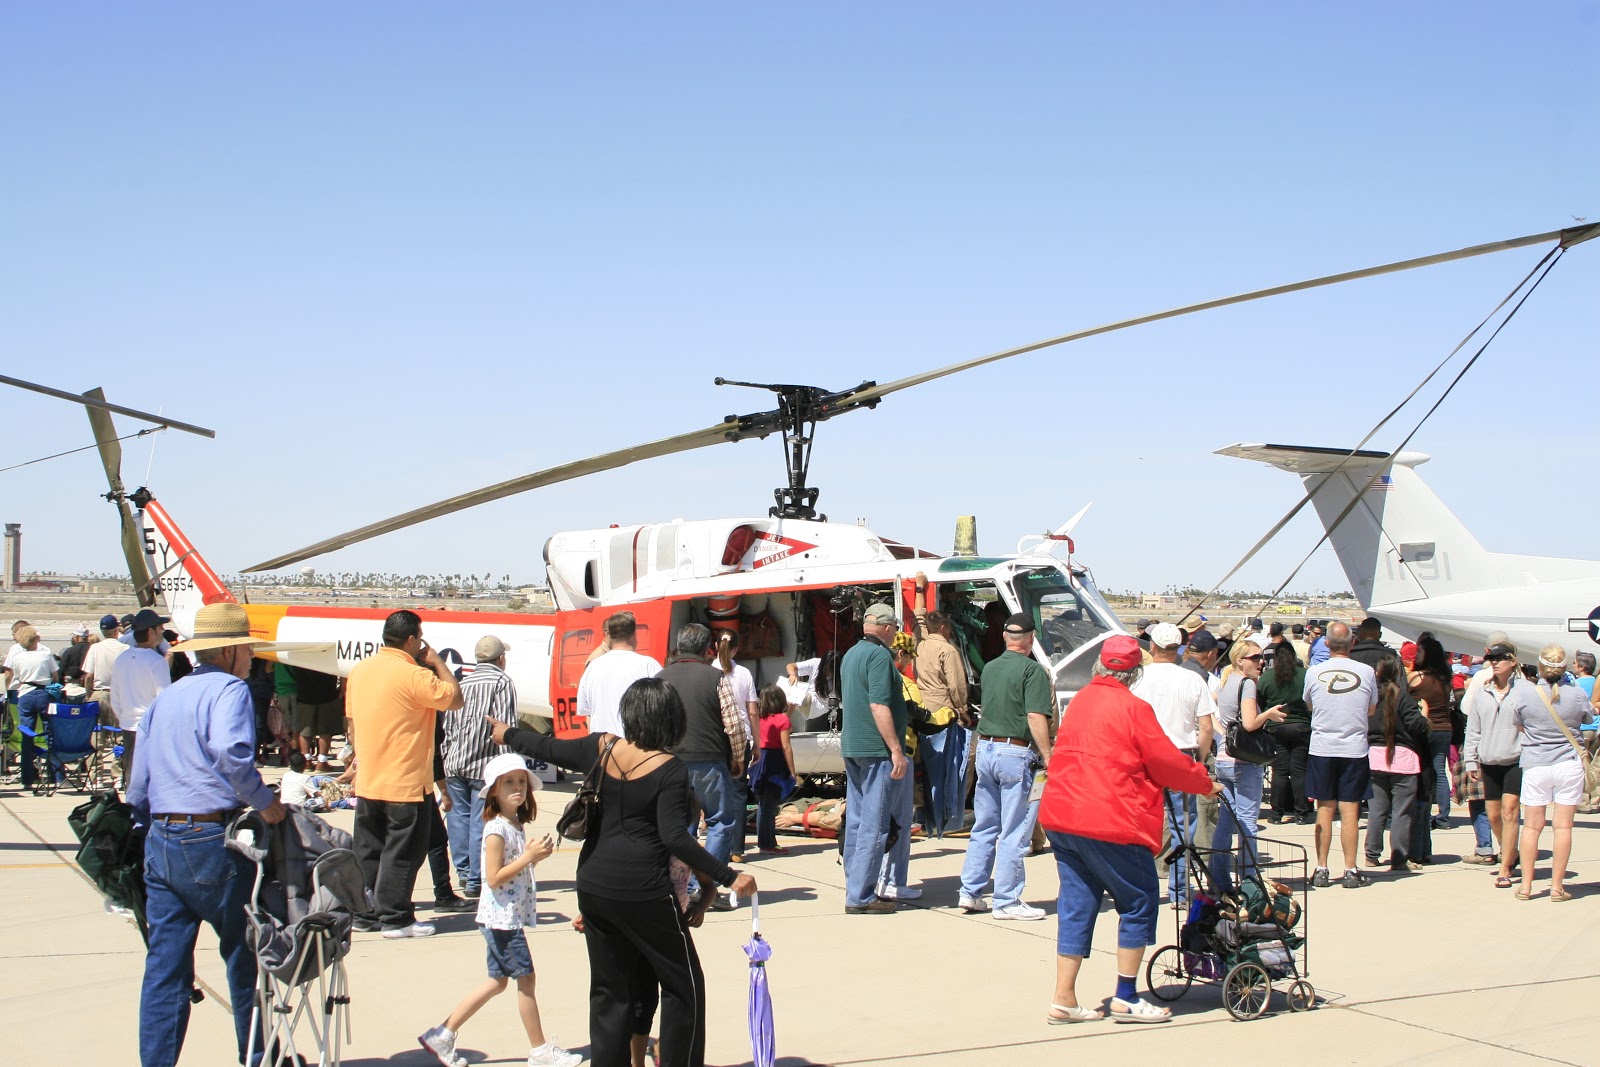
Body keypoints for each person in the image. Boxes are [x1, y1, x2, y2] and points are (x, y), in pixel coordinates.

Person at [493, 678, 757, 1067]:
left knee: (609, 992)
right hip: (645, 891)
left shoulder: (601, 746)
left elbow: (547, 746)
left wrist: (507, 732)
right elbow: (675, 838)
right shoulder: (670, 768)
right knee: (684, 987)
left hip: (595, 886)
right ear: (670, 719)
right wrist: (728, 876)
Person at [126, 602, 287, 1067]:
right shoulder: (230, 689)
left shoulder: (168, 696)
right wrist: (265, 802)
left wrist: (146, 826)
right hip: (210, 837)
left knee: (165, 967)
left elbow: (138, 782)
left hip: (162, 836)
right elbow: (230, 753)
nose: (253, 658)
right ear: (233, 649)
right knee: (242, 954)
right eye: (250, 650)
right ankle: (258, 1054)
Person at [1039, 636, 1221, 1024]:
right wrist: (1204, 782)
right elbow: (1165, 762)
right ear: (1135, 672)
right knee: (1139, 900)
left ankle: (1064, 997)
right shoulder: (1134, 708)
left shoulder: (1082, 700)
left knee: (1077, 903)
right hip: (1109, 818)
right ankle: (1125, 996)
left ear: (1099, 668)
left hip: (1064, 814)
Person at [417, 753, 580, 1067]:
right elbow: (492, 877)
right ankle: (539, 1050)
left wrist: (532, 857)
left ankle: (443, 1034)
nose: (517, 788)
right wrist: (528, 858)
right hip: (502, 920)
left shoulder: (512, 823)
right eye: (509, 782)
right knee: (526, 981)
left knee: (498, 981)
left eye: (521, 781)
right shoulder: (496, 829)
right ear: (493, 789)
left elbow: (511, 869)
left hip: (504, 917)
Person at [346, 610, 465, 938]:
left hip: (370, 777)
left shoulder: (361, 671)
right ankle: (396, 917)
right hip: (405, 779)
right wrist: (438, 662)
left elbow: (352, 726)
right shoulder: (414, 674)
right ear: (413, 640)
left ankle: (362, 912)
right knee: (403, 852)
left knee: (368, 849)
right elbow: (455, 699)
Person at [959, 612, 1055, 918]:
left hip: (986, 747)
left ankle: (971, 891)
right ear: (1031, 638)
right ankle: (1006, 900)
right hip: (1014, 752)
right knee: (1016, 829)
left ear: (1004, 636)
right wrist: (1049, 755)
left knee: (985, 826)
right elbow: (1035, 716)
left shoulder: (990, 668)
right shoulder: (1033, 671)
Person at [659, 623, 746, 910]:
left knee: (682, 825)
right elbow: (734, 725)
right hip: (708, 760)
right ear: (705, 648)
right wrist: (738, 758)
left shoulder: (661, 677)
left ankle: (680, 885)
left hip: (670, 761)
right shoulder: (716, 677)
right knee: (721, 821)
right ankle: (704, 884)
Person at [1129, 622, 1215, 907]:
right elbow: (1206, 726)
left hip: (1145, 755)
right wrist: (1200, 761)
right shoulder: (1192, 679)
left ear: (1152, 647)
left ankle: (1140, 888)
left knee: (1142, 822)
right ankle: (1179, 890)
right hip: (1181, 753)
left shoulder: (1138, 678)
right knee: (1183, 825)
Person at [840, 602, 909, 915]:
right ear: (887, 627)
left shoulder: (851, 654)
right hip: (875, 749)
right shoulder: (880, 656)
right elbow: (879, 705)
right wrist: (896, 748)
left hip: (852, 745)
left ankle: (854, 885)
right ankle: (861, 895)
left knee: (856, 821)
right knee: (874, 824)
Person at [442, 635, 518, 901]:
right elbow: (505, 726)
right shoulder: (501, 681)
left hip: (454, 762)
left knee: (458, 821)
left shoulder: (463, 681)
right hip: (482, 764)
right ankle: (475, 877)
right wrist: (509, 769)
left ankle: (463, 872)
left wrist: (447, 758)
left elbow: (448, 727)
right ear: (500, 658)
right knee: (480, 823)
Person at [1515, 645, 1594, 901]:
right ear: (1564, 668)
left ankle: (1526, 885)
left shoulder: (1525, 694)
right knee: (1563, 828)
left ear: (1539, 667)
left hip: (1536, 762)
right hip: (1568, 762)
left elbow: (1517, 722)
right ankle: (1557, 887)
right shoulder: (1577, 693)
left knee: (1531, 827)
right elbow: (1587, 716)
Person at [1303, 621, 1378, 889]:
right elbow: (1371, 708)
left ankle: (1321, 867)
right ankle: (1349, 868)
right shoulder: (1366, 672)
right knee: (1350, 810)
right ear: (1352, 643)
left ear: (1326, 643)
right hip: (1353, 747)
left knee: (1324, 808)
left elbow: (1310, 703)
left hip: (1323, 745)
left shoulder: (1314, 672)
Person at [1209, 640, 1286, 891]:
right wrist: (1269, 714)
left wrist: (1221, 732)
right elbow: (1251, 723)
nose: (1260, 661)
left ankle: (1217, 875)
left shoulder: (1226, 682)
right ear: (1240, 660)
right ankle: (1250, 878)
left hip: (1224, 758)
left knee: (1226, 821)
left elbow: (1214, 709)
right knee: (1247, 820)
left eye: (1261, 657)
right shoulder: (1247, 685)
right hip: (1244, 761)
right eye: (1255, 657)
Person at [1462, 641, 1537, 891]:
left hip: (1516, 758)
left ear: (1513, 661)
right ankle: (1510, 850)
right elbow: (1473, 728)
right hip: (1489, 759)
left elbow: (1535, 724)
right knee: (1493, 815)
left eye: (1500, 658)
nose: (1494, 662)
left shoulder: (1526, 689)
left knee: (1510, 810)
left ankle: (1506, 868)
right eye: (1492, 658)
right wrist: (1471, 760)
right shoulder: (1482, 690)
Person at [911, 571, 973, 837]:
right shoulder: (948, 650)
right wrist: (963, 710)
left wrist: (919, 590)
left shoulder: (920, 643)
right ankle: (943, 819)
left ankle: (925, 817)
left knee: (923, 770)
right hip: (943, 714)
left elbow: (917, 619)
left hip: (921, 710)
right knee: (945, 772)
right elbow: (958, 687)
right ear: (946, 628)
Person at [1363, 657, 1430, 871]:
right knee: (1402, 811)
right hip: (1402, 758)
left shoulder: (1371, 698)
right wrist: (1425, 714)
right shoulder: (1404, 698)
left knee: (1377, 809)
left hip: (1374, 757)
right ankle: (1399, 857)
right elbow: (1416, 725)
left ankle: (1371, 853)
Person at [110, 608, 173, 787]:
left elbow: (115, 695)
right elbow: (164, 700)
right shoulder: (156, 662)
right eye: (160, 628)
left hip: (128, 725)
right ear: (150, 632)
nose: (162, 631)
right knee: (151, 779)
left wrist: (124, 718)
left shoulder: (122, 659)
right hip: (150, 727)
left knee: (132, 776)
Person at [578, 611, 661, 737]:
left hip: (603, 748)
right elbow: (662, 707)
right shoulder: (649, 665)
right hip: (636, 748)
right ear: (634, 635)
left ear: (610, 635)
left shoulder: (592, 667)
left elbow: (587, 712)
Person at [1260, 641, 1312, 825]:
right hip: (1301, 726)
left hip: (1275, 727)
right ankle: (1301, 813)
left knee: (1279, 772)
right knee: (1299, 771)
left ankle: (1276, 813)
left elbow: (1260, 700)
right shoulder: (1305, 675)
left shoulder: (1266, 677)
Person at [4, 625, 58, 791]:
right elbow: (55, 675)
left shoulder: (18, 658)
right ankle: (53, 774)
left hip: (26, 695)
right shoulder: (45, 654)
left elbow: (18, 677)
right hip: (43, 694)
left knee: (27, 735)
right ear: (35, 640)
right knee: (50, 734)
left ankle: (27, 779)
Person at [1410, 633, 1454, 830]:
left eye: (1419, 651)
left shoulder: (1416, 678)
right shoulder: (1445, 678)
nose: (1416, 655)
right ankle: (1443, 815)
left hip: (1426, 729)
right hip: (1444, 727)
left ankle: (1425, 813)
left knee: (1424, 773)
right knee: (1440, 772)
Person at [750, 684, 796, 854]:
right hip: (775, 762)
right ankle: (767, 842)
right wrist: (792, 770)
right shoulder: (782, 720)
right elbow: (786, 747)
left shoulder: (759, 719)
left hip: (759, 760)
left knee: (763, 803)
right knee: (770, 805)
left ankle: (766, 841)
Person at [291, 665, 342, 769]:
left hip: (304, 694)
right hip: (327, 693)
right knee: (325, 730)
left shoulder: (300, 654)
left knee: (305, 731)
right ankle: (322, 761)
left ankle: (307, 761)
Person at [83, 613, 128, 715]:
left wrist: (87, 695)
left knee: (98, 728)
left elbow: (89, 676)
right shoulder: (125, 648)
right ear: (116, 630)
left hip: (100, 693)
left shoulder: (95, 648)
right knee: (117, 728)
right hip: (120, 694)